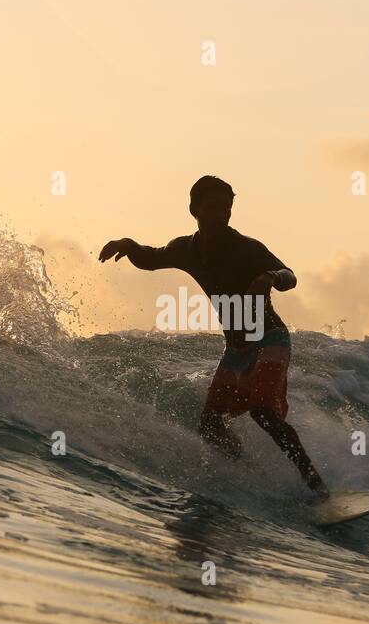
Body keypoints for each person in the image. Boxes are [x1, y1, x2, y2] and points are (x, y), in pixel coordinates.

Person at [99, 175, 328, 498]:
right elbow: (150, 258)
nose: (222, 215)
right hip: (236, 350)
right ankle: (249, 477)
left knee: (263, 412)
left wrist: (268, 276)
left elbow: (289, 276)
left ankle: (317, 486)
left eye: (227, 208)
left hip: (270, 340)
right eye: (213, 208)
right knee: (209, 424)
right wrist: (128, 244)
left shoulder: (247, 248)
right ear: (194, 209)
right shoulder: (187, 249)